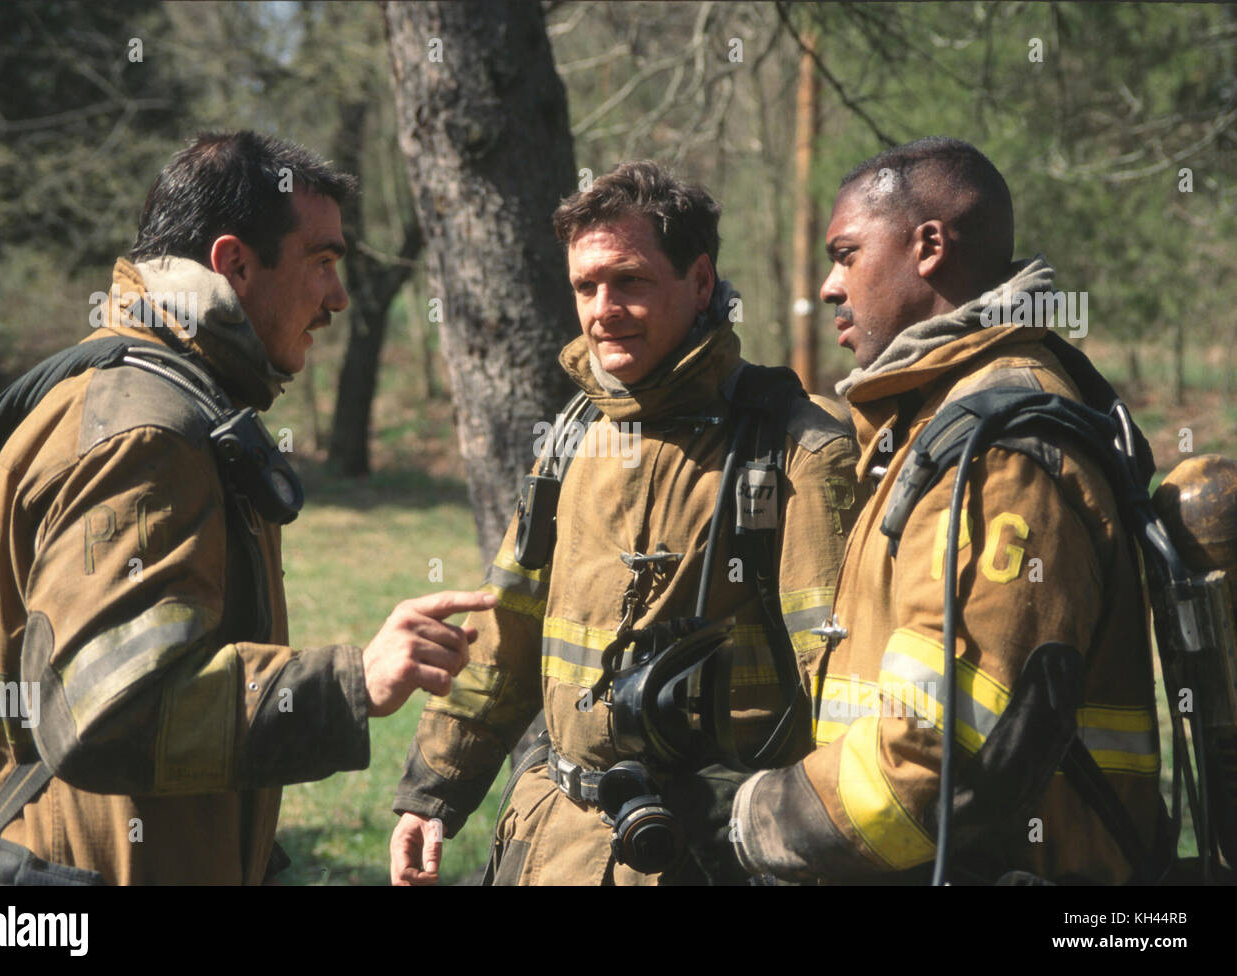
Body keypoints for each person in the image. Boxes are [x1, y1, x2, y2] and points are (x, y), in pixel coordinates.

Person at [0, 131, 494, 884]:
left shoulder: (144, 395)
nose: (338, 298)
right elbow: (103, 711)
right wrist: (352, 681)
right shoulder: (147, 431)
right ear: (235, 263)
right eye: (323, 263)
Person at [389, 161, 864, 885]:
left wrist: (778, 830)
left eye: (630, 281)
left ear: (701, 283)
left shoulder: (795, 449)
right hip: (550, 847)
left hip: (702, 858)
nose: (602, 308)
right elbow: (506, 629)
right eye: (586, 286)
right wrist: (432, 793)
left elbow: (844, 695)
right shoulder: (573, 435)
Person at [727, 137, 1165, 883]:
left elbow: (930, 757)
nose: (830, 287)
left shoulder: (1001, 450)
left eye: (846, 253)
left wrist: (750, 819)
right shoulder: (936, 427)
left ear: (928, 245)